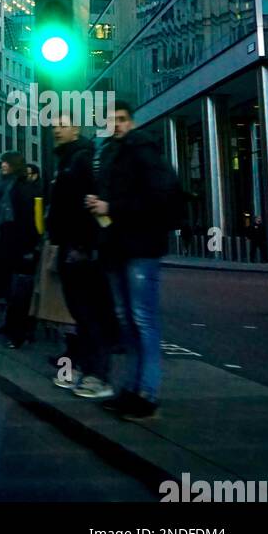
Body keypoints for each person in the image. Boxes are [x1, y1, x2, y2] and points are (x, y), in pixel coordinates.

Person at [86, 100, 176, 419]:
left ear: (132, 122)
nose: (117, 125)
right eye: (111, 120)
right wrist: (100, 203)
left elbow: (158, 197)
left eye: (122, 119)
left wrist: (110, 207)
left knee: (142, 320)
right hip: (118, 246)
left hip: (141, 247)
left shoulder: (144, 151)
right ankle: (132, 389)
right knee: (127, 320)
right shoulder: (110, 154)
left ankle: (147, 393)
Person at [47, 116, 114, 400]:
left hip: (82, 249)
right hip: (69, 246)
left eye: (63, 125)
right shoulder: (66, 160)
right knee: (79, 312)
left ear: (76, 129)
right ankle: (84, 369)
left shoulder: (83, 158)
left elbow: (92, 203)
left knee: (89, 312)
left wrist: (84, 244)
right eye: (54, 126)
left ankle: (98, 375)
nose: (57, 130)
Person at [0, 152, 40, 347]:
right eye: (2, 162)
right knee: (12, 290)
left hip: (19, 245)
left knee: (19, 292)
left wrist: (29, 247)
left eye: (6, 162)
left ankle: (19, 331)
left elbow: (28, 219)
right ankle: (14, 327)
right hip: (7, 243)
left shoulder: (20, 187)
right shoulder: (4, 186)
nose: (3, 165)